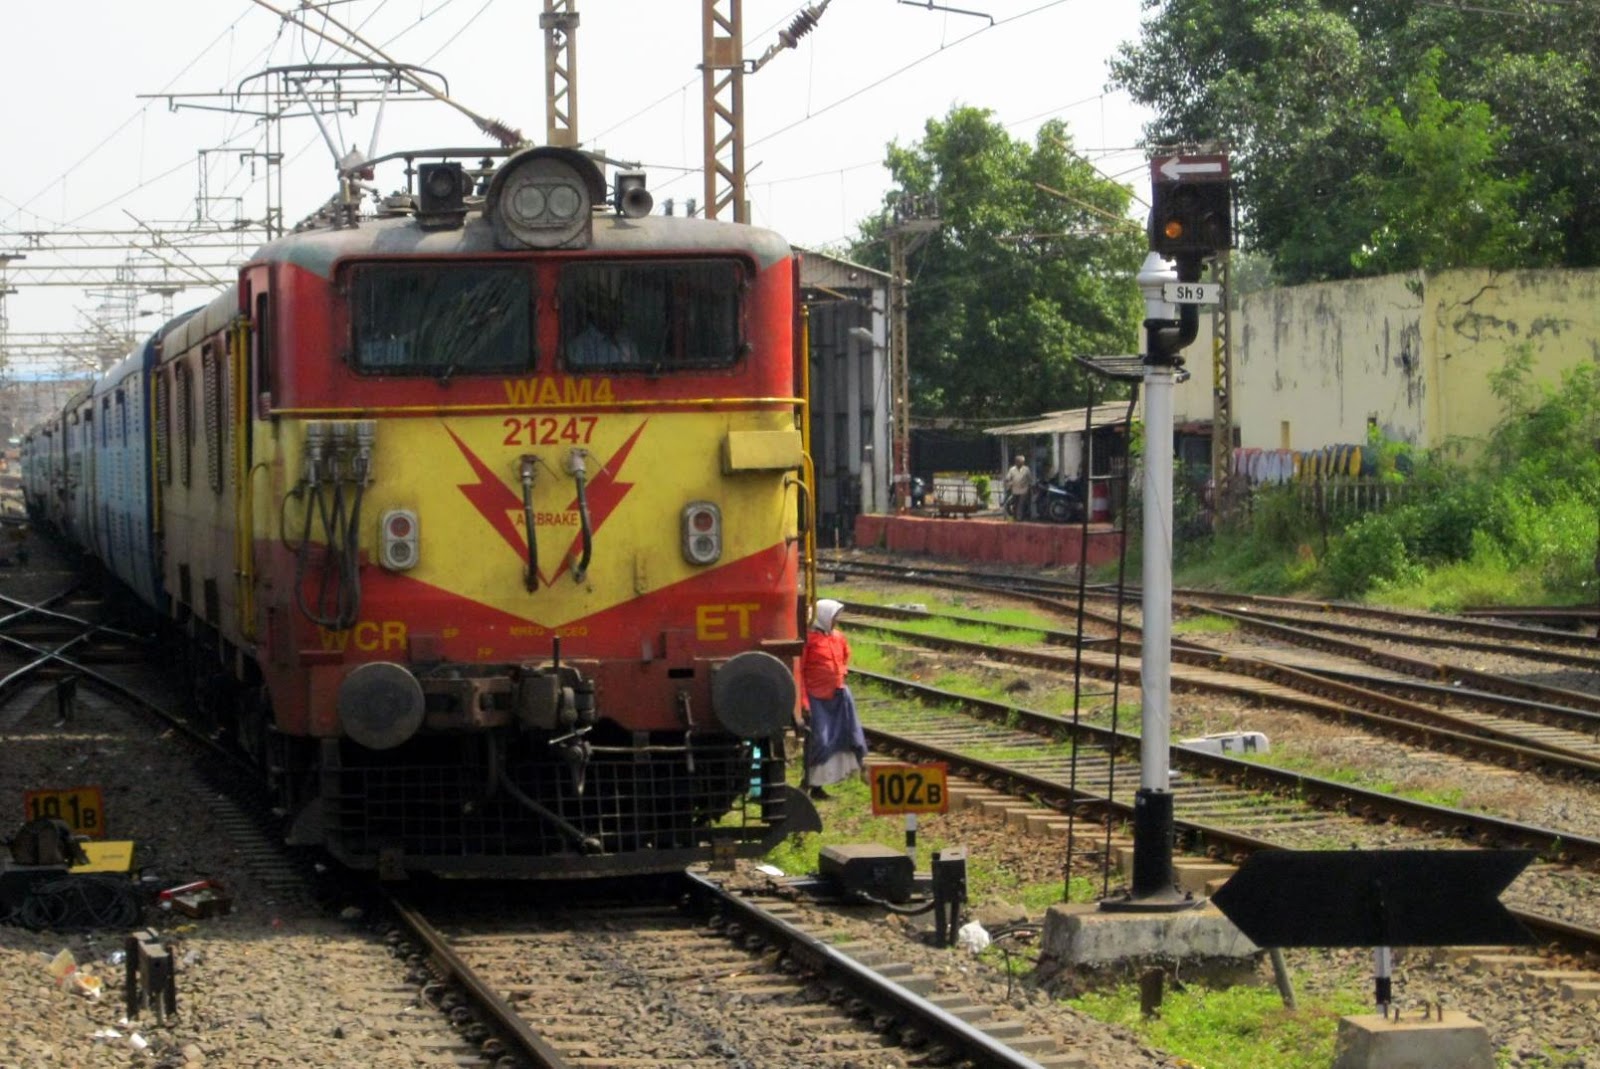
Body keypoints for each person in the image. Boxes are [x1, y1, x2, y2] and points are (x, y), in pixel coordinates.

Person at [799, 599, 867, 800]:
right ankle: (807, 783)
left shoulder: (838, 637)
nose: (836, 621)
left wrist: (839, 675)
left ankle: (820, 786)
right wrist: (804, 701)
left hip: (838, 694)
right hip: (817, 697)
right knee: (820, 740)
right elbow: (800, 671)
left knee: (848, 735)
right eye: (833, 617)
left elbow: (844, 656)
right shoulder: (808, 641)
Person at [1003, 455, 1035, 520]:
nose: (1020, 463)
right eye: (1019, 462)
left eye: (1022, 462)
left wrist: (1028, 484)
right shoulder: (1012, 469)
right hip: (1015, 490)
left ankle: (1019, 518)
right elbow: (1008, 478)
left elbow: (1030, 479)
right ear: (1016, 462)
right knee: (1015, 504)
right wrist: (1010, 483)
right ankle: (1015, 517)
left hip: (1024, 490)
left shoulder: (1026, 469)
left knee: (1021, 504)